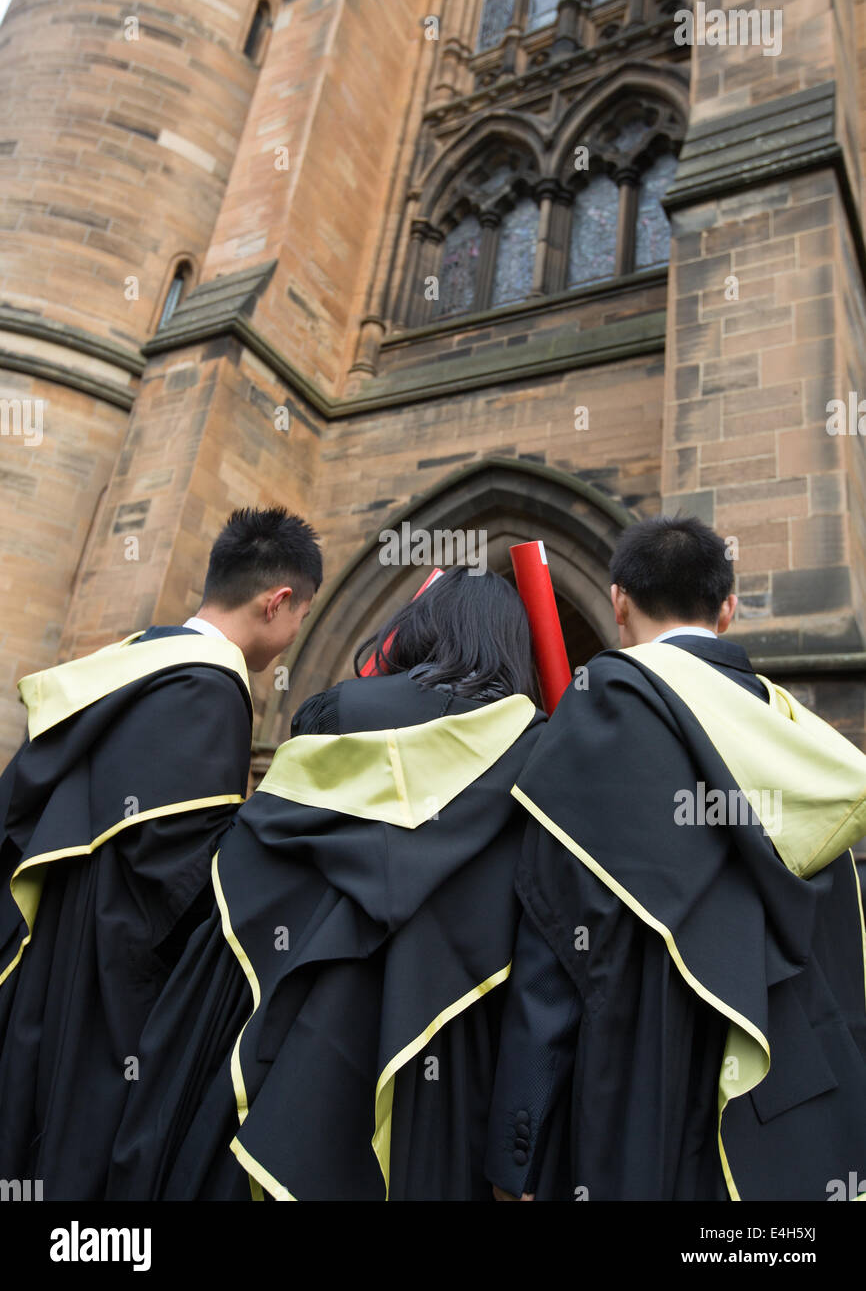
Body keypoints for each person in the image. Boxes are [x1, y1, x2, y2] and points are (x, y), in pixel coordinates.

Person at [107, 565, 546, 1201]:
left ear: (417, 629)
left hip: (280, 1000)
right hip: (439, 1042)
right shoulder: (539, 753)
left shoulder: (337, 711)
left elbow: (254, 850)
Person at [486, 515, 866, 1202]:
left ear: (619, 600)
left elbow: (554, 944)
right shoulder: (798, 737)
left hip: (637, 1103)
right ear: (727, 608)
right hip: (791, 1107)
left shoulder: (596, 716)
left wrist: (519, 1148)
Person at [0, 506, 322, 1199]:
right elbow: (179, 874)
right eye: (300, 620)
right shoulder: (207, 690)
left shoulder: (133, 664)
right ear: (279, 601)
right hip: (108, 980)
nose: (295, 638)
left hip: (48, 953)